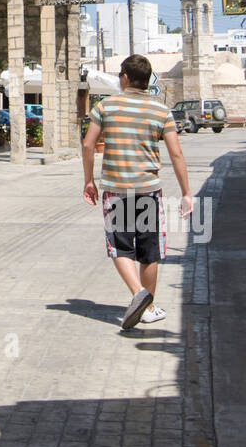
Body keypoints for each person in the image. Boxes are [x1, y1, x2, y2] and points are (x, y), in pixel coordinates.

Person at [81, 54, 193, 331]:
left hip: (116, 189)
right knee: (149, 251)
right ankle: (150, 307)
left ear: (126, 78)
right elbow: (176, 154)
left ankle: (139, 294)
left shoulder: (106, 106)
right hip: (148, 191)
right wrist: (186, 193)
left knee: (119, 246)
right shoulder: (161, 110)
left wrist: (88, 180)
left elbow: (87, 145)